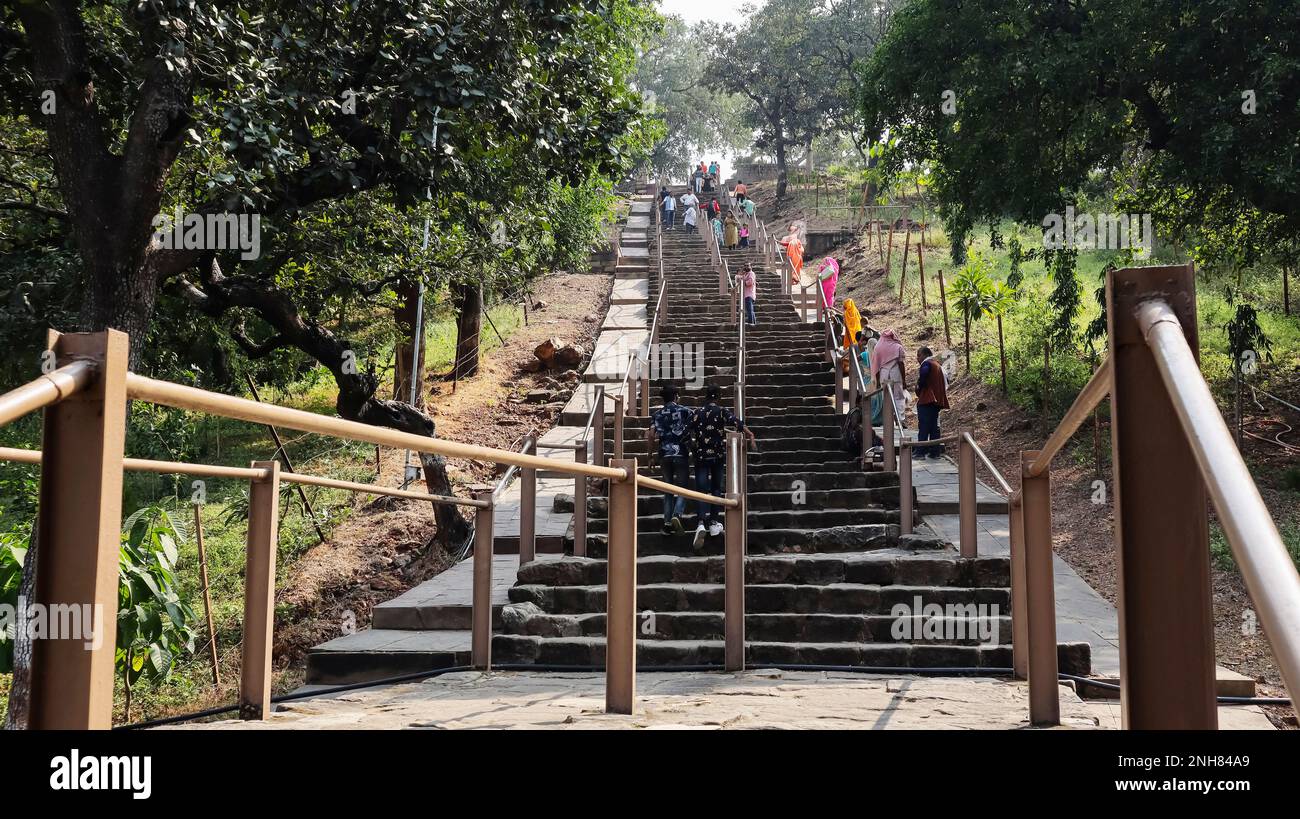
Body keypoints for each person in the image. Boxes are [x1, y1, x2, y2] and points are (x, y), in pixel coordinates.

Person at [688, 384, 755, 548]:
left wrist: (694, 447)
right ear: (717, 397)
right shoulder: (722, 411)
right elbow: (737, 423)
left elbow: (686, 432)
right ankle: (713, 522)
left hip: (701, 456)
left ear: (705, 397)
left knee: (701, 490)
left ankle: (701, 523)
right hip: (717, 455)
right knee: (716, 488)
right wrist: (750, 434)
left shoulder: (697, 413)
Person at [648, 385, 694, 534]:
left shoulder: (657, 414)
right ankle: (677, 514)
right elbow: (696, 423)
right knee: (682, 487)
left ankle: (667, 523)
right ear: (676, 397)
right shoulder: (685, 411)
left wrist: (650, 456)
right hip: (681, 453)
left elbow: (651, 435)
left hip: (664, 454)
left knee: (668, 489)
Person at [914, 346, 950, 459]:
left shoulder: (927, 364)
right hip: (936, 401)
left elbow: (924, 374)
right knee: (934, 427)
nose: (917, 358)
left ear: (925, 354)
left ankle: (921, 452)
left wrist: (919, 385)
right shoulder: (937, 365)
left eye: (919, 355)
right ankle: (935, 452)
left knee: (924, 426)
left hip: (927, 400)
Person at [872, 328, 907, 415]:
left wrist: (877, 383)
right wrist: (904, 379)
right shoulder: (898, 347)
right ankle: (900, 419)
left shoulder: (878, 348)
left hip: (884, 376)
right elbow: (901, 364)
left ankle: (889, 420)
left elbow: (876, 366)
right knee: (899, 397)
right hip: (896, 375)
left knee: (886, 398)